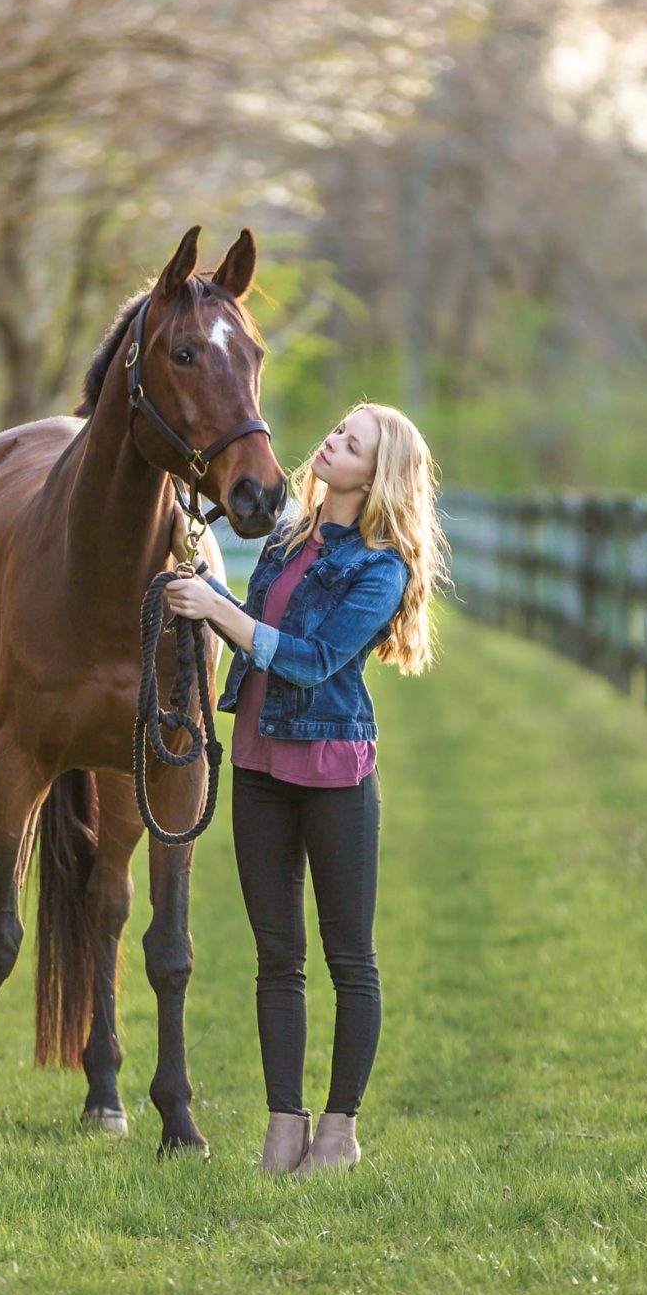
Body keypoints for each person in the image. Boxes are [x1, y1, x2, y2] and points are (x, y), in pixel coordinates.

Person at [164, 401, 448, 1176]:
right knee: (276, 956)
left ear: (375, 474)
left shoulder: (381, 568)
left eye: (349, 443)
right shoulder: (291, 535)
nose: (331, 443)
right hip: (259, 766)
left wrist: (218, 611)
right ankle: (283, 1125)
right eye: (336, 431)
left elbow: (310, 660)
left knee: (348, 957)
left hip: (332, 777)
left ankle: (338, 1130)